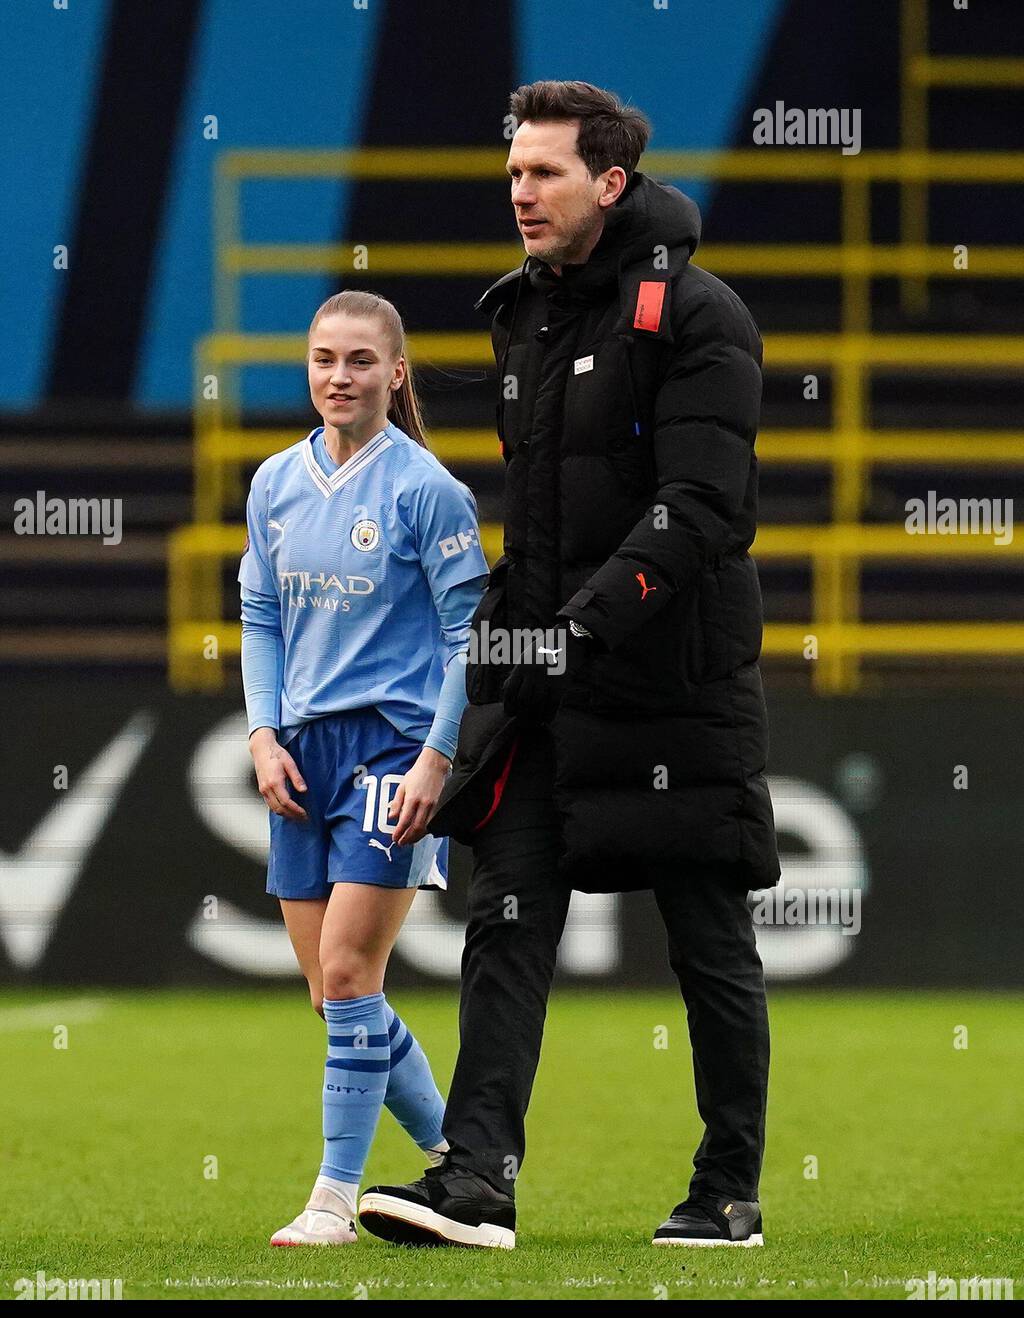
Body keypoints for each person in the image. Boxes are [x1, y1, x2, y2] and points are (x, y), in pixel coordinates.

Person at [358, 81, 780, 1251]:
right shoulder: (521, 318)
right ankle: (476, 1173)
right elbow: (528, 543)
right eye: (510, 175)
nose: (518, 194)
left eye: (541, 174)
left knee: (708, 940)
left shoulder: (701, 316)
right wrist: (470, 715)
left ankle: (727, 1189)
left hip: (675, 685)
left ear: (609, 181)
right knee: (504, 915)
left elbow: (700, 510)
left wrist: (575, 634)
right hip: (545, 680)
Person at [239, 289, 490, 1245]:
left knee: (348, 973)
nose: (337, 377)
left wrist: (437, 756)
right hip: (300, 753)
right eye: (322, 360)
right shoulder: (274, 483)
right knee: (334, 993)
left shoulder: (427, 490)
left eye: (357, 361)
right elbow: (261, 616)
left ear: (396, 374)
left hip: (391, 745)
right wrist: (263, 734)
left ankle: (333, 1200)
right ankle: (461, 1159)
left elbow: (472, 634)